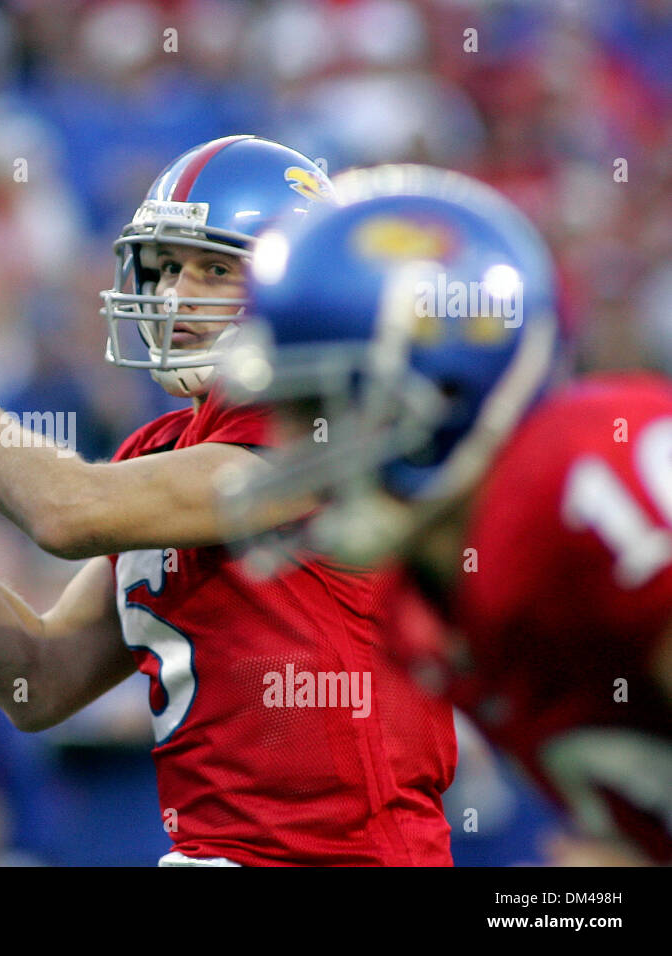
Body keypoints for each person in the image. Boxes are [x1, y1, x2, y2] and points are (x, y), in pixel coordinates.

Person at [0, 136, 457, 865]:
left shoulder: (321, 429)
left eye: (215, 270)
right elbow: (38, 679)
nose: (173, 295)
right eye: (165, 269)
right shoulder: (164, 452)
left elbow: (65, 512)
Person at [217, 163, 672, 864]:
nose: (285, 446)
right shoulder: (429, 604)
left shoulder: (575, 476)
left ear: (440, 385)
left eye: (314, 410)